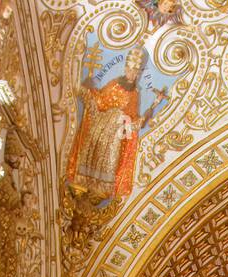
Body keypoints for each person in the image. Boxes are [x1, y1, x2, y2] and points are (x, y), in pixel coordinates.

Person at [66, 47, 166, 202]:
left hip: (117, 134)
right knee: (93, 151)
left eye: (136, 72)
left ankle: (100, 188)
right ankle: (83, 182)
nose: (133, 75)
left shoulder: (135, 93)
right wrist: (89, 92)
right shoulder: (114, 84)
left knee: (111, 158)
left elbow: (132, 119)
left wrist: (146, 113)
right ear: (126, 69)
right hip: (103, 125)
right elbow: (100, 102)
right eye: (131, 70)